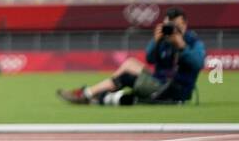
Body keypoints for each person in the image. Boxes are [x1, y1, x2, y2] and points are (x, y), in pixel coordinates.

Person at [58, 7, 205, 105]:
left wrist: (182, 46)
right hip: (159, 79)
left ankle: (89, 93)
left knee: (125, 77)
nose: (172, 30)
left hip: (173, 87)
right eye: (169, 26)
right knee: (130, 63)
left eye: (176, 26)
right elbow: (149, 59)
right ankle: (92, 93)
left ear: (185, 24)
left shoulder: (193, 42)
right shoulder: (164, 40)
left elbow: (198, 64)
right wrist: (156, 40)